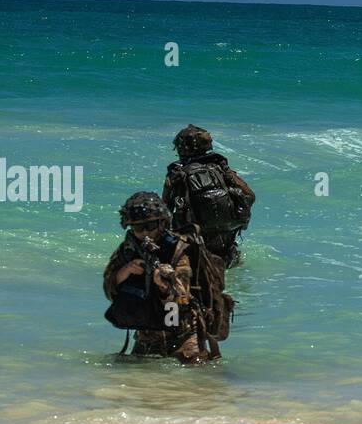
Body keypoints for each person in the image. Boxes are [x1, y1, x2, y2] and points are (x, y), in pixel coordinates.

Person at [103, 192, 208, 363]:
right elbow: (110, 291)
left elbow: (181, 300)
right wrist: (125, 271)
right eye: (138, 228)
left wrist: (165, 286)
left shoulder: (178, 250)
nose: (145, 233)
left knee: (197, 380)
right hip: (148, 333)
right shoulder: (128, 250)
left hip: (183, 333)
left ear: (162, 223)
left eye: (150, 226)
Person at [162, 125, 255, 269]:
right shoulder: (220, 168)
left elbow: (164, 214)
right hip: (228, 250)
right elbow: (250, 196)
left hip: (197, 254)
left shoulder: (177, 174)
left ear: (182, 149)